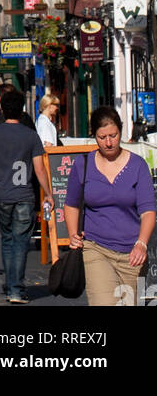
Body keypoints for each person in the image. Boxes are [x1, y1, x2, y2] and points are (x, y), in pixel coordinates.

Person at [65, 105, 157, 307]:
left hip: (132, 253)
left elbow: (148, 210)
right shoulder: (83, 164)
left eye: (113, 136)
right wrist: (73, 234)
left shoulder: (137, 166)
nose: (108, 143)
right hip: (96, 248)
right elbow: (71, 204)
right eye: (102, 137)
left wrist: (142, 243)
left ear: (121, 132)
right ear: (94, 136)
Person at [0, 87, 54, 303]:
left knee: (7, 240)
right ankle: (16, 288)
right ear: (22, 111)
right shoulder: (30, 136)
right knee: (20, 242)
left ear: (2, 109)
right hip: (24, 194)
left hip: (1, 194)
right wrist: (48, 193)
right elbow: (39, 169)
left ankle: (11, 286)